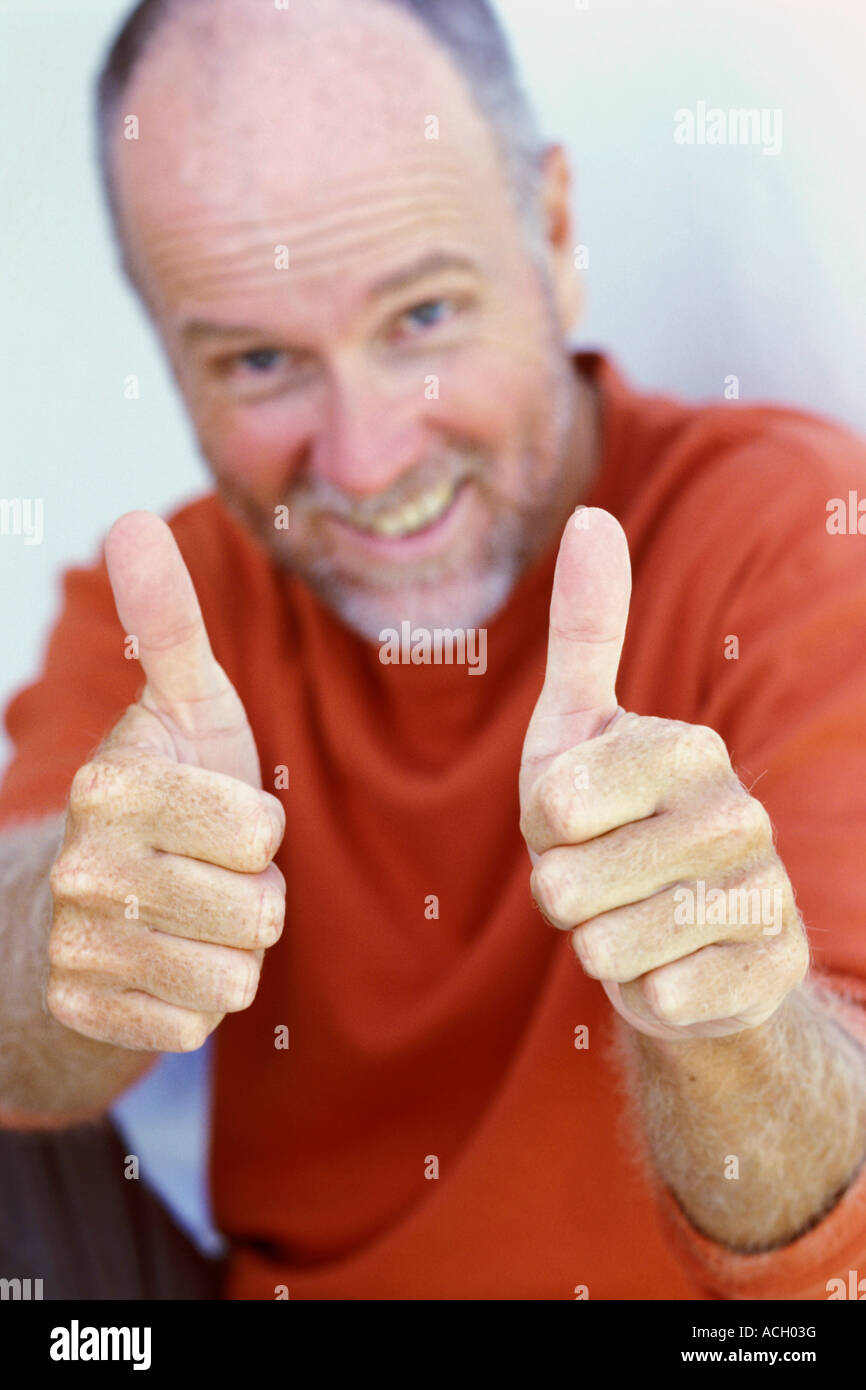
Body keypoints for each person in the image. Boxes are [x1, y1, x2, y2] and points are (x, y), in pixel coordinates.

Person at [1, 0, 866, 1301]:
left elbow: (832, 1240)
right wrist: (79, 923)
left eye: (420, 318)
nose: (366, 458)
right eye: (257, 360)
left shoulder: (789, 536)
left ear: (556, 236)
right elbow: (20, 1011)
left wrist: (730, 1018)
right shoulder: (175, 600)